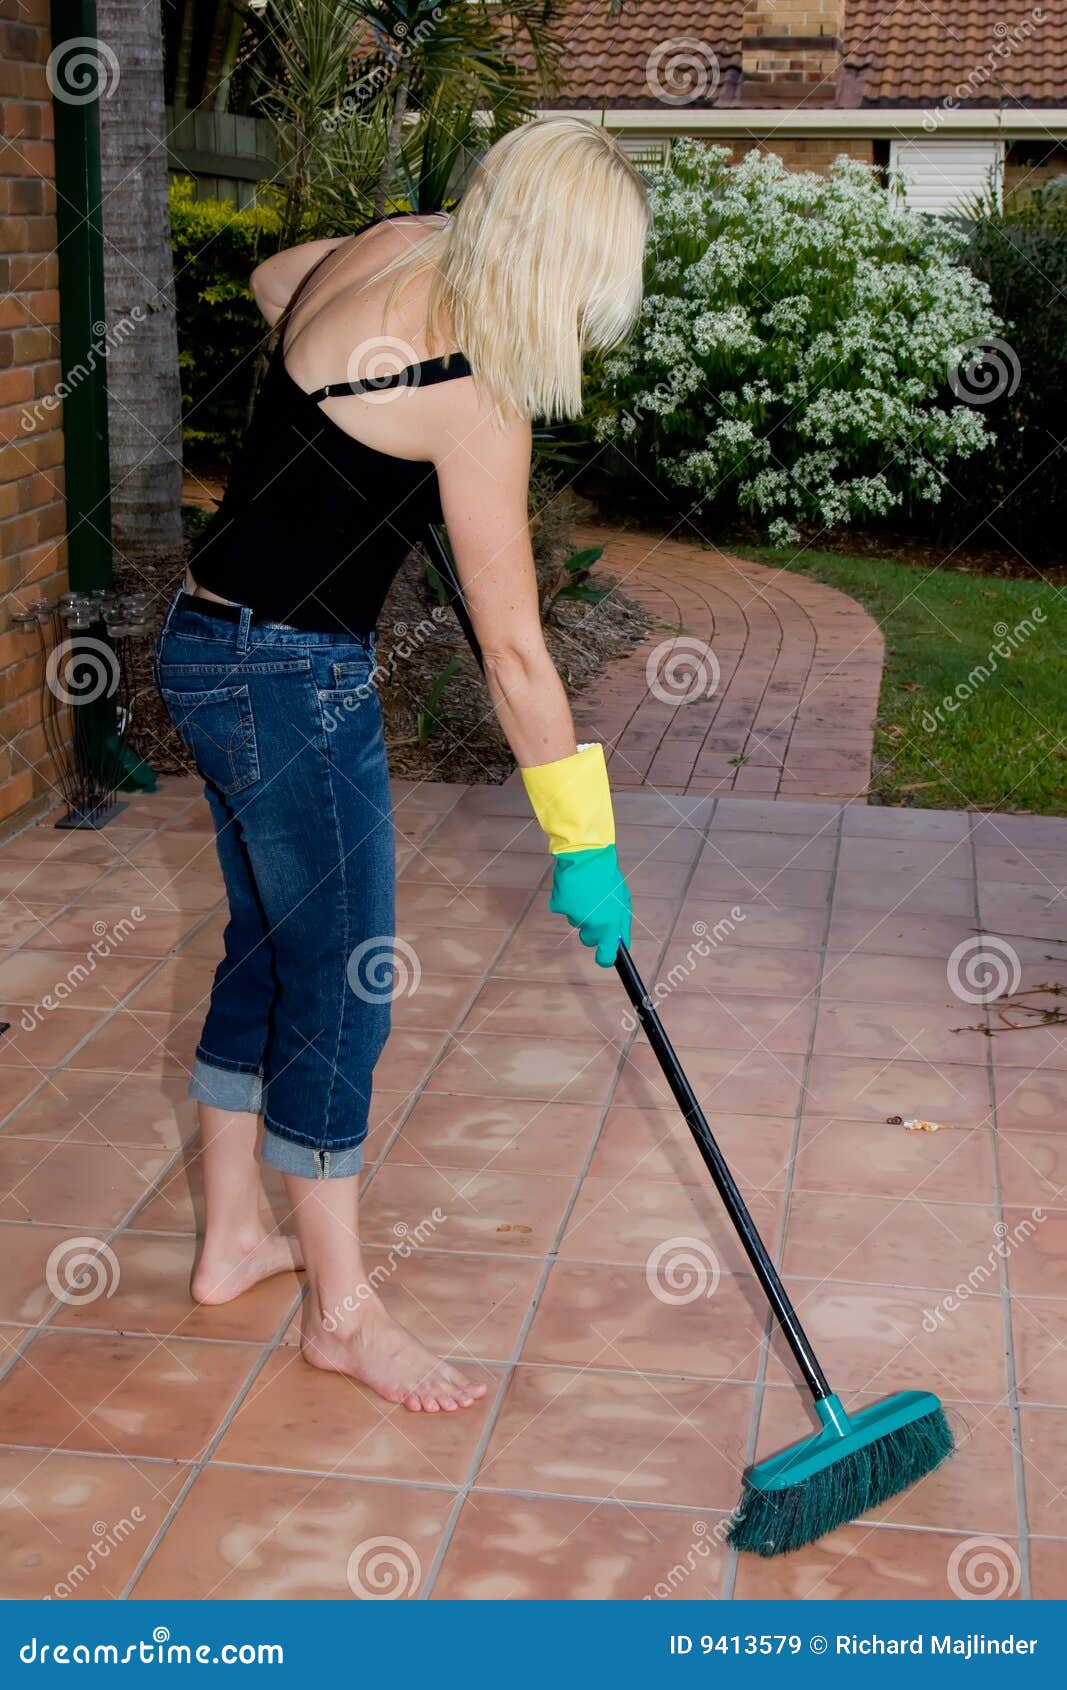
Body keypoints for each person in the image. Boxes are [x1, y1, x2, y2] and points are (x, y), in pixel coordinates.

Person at [155, 117, 649, 1414]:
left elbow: (275, 282)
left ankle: (232, 1238)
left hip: (201, 645)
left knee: (266, 951)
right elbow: (516, 653)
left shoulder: (393, 243)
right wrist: (584, 844)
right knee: (341, 985)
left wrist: (353, 443)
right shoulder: (474, 392)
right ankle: (343, 1315)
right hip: (291, 682)